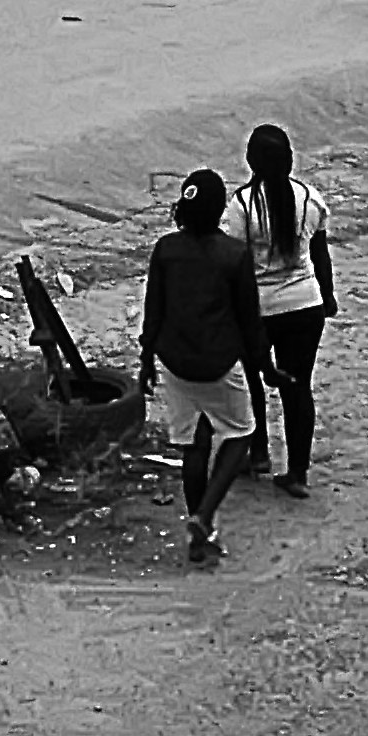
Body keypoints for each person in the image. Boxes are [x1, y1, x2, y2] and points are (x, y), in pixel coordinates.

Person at [138, 168, 268, 569]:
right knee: (241, 432)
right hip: (218, 362)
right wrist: (266, 367)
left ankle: (200, 541)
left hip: (174, 360)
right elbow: (249, 320)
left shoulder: (166, 249)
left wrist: (145, 359)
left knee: (193, 445)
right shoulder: (234, 255)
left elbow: (153, 308)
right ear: (218, 211)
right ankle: (204, 515)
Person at [236, 123, 337, 497]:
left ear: (250, 161)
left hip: (259, 309)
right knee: (298, 388)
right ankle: (297, 472)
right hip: (304, 304)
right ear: (290, 160)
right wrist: (327, 296)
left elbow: (236, 261)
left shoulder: (242, 206)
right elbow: (320, 252)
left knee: (253, 383)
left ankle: (258, 451)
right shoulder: (310, 199)